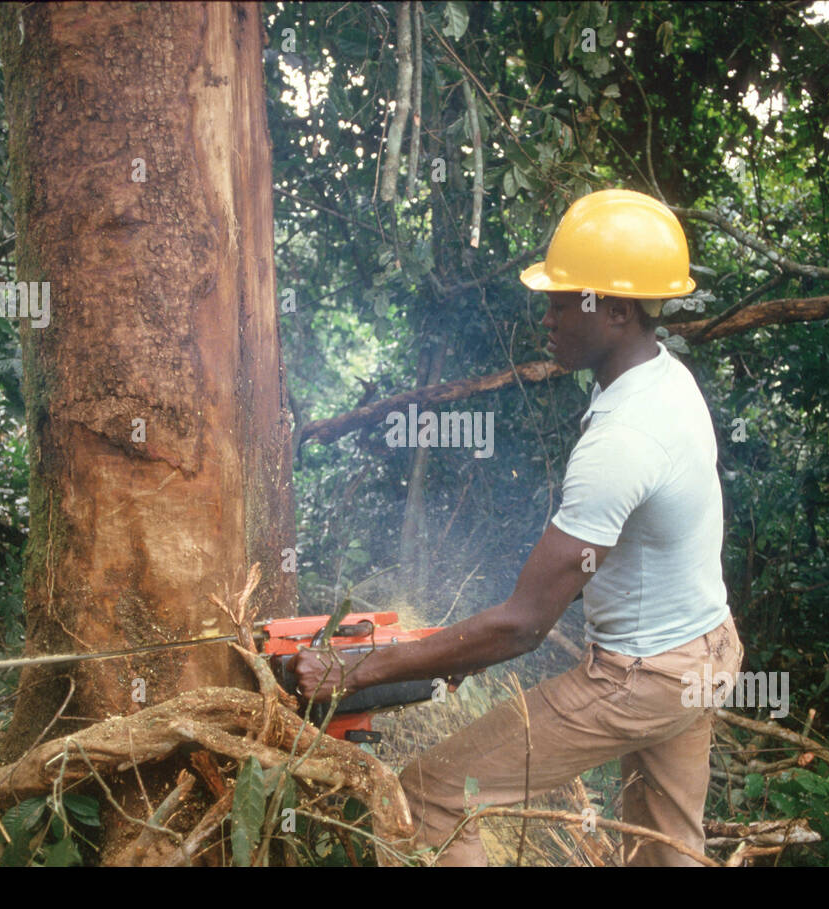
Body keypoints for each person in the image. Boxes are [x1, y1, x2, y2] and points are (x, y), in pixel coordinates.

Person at [294, 189, 743, 866]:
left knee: (438, 794)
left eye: (563, 302)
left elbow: (525, 624)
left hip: (642, 677)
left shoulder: (625, 436)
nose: (547, 316)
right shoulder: (662, 379)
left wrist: (357, 670)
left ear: (616, 310)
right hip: (704, 651)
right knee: (668, 852)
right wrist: (452, 655)